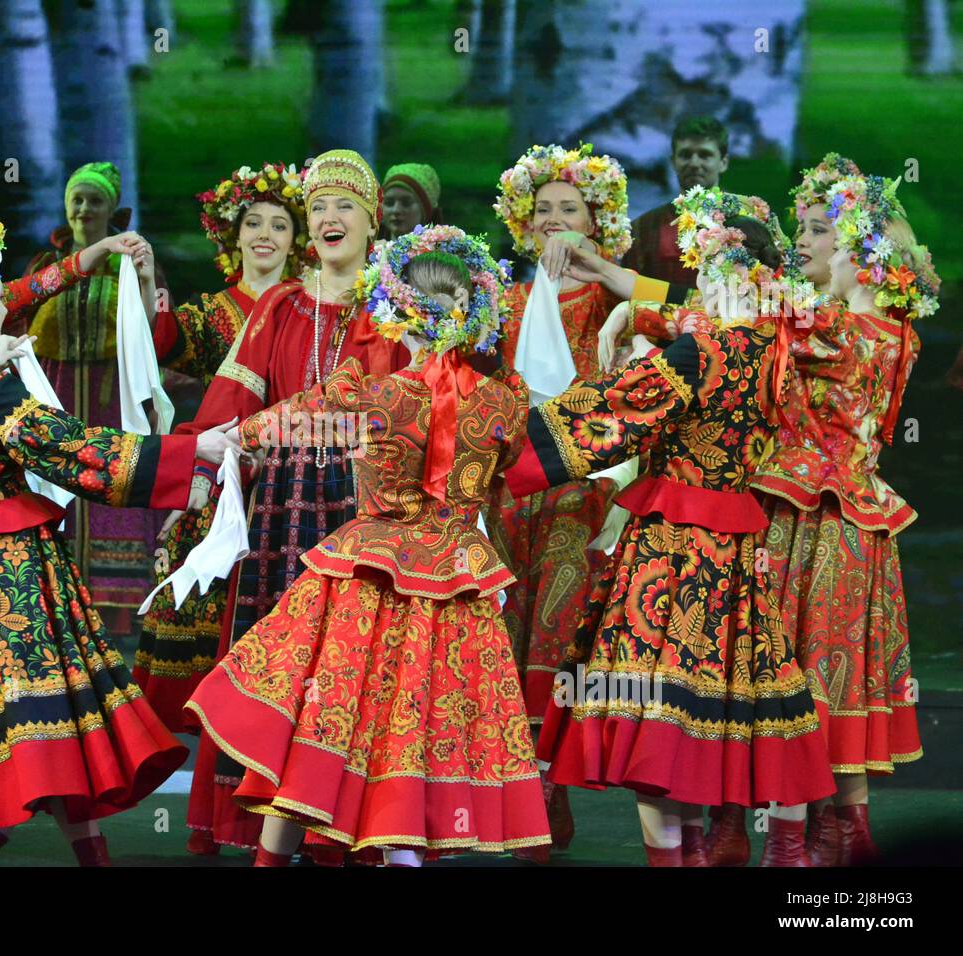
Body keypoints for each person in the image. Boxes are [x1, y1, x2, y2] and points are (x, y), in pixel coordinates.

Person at [188, 226, 551, 865]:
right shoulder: (502, 404)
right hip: (456, 587)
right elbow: (514, 463)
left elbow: (278, 424)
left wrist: (221, 441)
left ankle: (272, 861)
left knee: (315, 729)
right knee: (418, 736)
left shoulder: (365, 392)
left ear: (396, 311)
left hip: (367, 582)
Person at [0, 212, 239, 866]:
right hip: (13, 575)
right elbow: (76, 451)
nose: (4, 305)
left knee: (8, 721)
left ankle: (87, 852)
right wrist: (190, 453)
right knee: (37, 724)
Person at [525, 187, 837, 866]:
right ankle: (774, 853)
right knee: (746, 696)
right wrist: (627, 303)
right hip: (737, 549)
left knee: (654, 713)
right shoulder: (778, 350)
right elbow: (683, 311)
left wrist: (504, 447)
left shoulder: (701, 357)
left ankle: (683, 856)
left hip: (671, 547)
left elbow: (608, 421)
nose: (703, 280)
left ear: (746, 278)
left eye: (717, 268)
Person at [180, 148, 411, 858]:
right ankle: (270, 824)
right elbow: (235, 397)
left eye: (344, 206)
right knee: (277, 662)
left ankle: (351, 824)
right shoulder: (283, 304)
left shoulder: (394, 305)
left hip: (363, 503)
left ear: (372, 220)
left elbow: (409, 404)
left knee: (353, 664)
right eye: (318, 209)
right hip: (284, 505)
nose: (329, 219)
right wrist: (193, 469)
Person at [750, 168, 937, 865]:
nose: (803, 244)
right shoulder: (898, 332)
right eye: (800, 230)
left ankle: (790, 839)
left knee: (793, 670)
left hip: (809, 517)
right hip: (862, 524)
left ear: (861, 256)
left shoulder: (835, 327)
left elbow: (736, 323)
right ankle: (844, 832)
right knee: (840, 671)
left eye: (819, 232)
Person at [491, 142, 670, 859]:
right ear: (523, 224)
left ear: (597, 222)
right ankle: (508, 787)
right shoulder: (503, 299)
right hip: (507, 486)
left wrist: (604, 272)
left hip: (583, 487)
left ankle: (545, 787)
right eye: (544, 212)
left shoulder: (610, 295)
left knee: (558, 631)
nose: (556, 222)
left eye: (571, 210)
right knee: (505, 630)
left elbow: (672, 314)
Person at [137, 162, 309, 736]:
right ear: (232, 236)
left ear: (296, 240)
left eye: (279, 225)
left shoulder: (309, 311)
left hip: (290, 472)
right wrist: (146, 287)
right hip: (222, 465)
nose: (264, 234)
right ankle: (204, 722)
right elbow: (165, 342)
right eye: (253, 223)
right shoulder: (215, 310)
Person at [20, 161, 170, 637]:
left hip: (112, 399)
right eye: (77, 200)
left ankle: (117, 615)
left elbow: (155, 330)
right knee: (58, 487)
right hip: (56, 395)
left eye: (94, 200)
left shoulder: (134, 262)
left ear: (113, 209)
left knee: (111, 485)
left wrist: (144, 279)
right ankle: (55, 605)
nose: (85, 209)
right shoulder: (43, 268)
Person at [621, 115, 731, 300]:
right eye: (686, 155)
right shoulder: (643, 228)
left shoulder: (749, 222)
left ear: (723, 163)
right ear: (673, 162)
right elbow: (628, 290)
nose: (695, 163)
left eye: (705, 155)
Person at [381, 163, 441, 239]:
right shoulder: (368, 249)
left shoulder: (444, 249)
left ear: (424, 210)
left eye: (406, 203)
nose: (396, 210)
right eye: (389, 203)